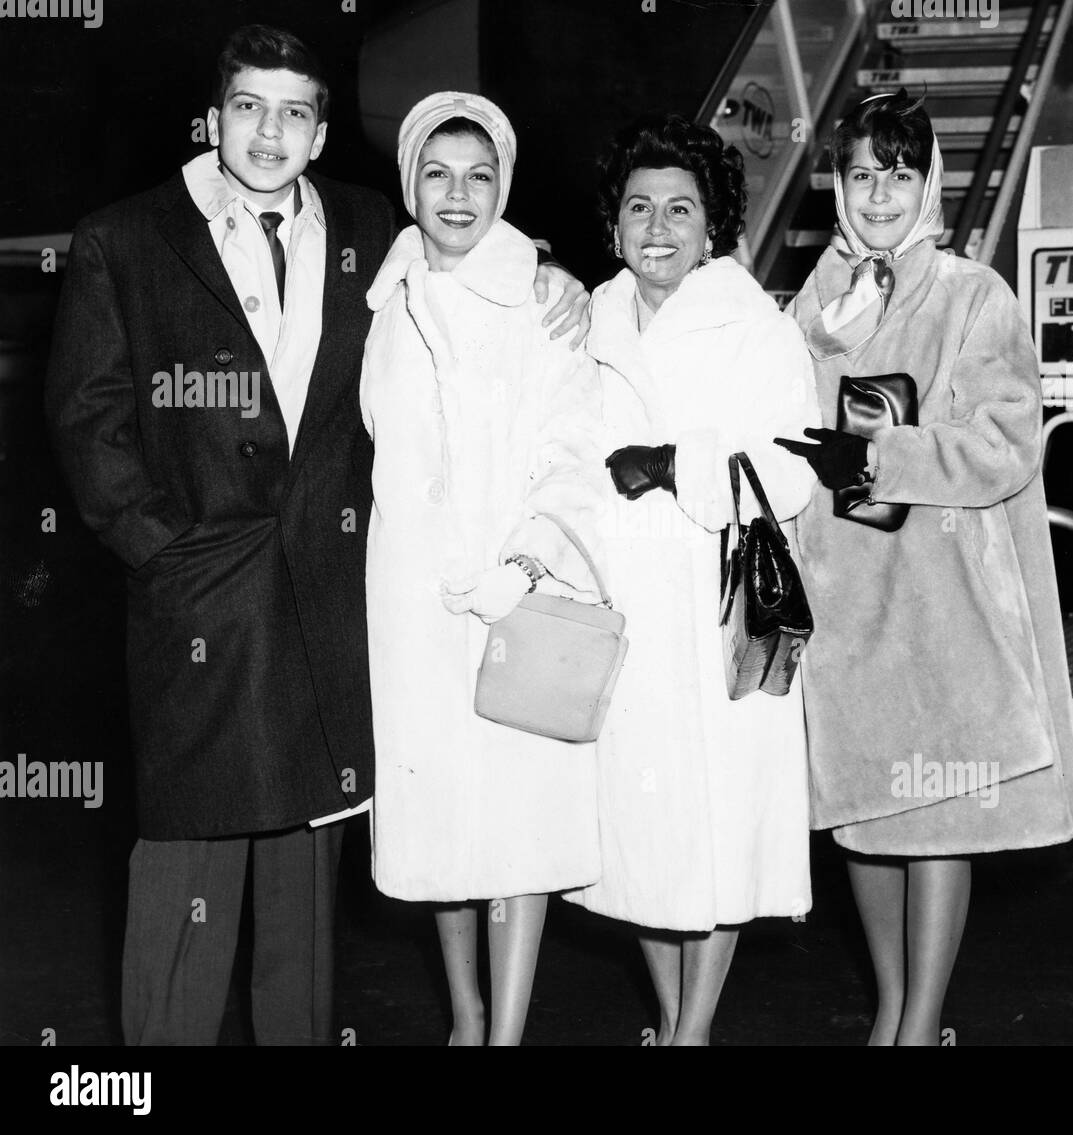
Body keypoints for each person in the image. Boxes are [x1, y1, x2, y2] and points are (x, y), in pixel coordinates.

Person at [43, 26, 589, 1046]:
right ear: (214, 117)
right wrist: (163, 551)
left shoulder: (366, 224)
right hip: (198, 609)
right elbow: (87, 420)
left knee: (301, 891)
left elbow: (474, 254)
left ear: (321, 129)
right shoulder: (125, 236)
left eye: (294, 111)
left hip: (322, 605)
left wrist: (551, 275)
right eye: (249, 106)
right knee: (187, 868)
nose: (269, 130)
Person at [775, 90, 1073, 1046]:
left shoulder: (972, 293)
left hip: (938, 600)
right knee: (866, 814)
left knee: (938, 814)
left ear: (928, 184)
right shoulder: (813, 304)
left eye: (898, 174)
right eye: (862, 173)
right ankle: (887, 1007)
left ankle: (921, 1025)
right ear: (839, 182)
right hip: (844, 600)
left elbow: (1005, 445)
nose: (877, 194)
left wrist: (881, 456)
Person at [563, 114, 821, 1046]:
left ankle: (693, 1029)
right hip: (621, 604)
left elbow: (792, 469)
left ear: (713, 226)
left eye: (681, 208)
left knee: (716, 830)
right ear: (613, 225)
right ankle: (674, 1018)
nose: (659, 227)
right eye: (639, 208)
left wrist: (675, 462)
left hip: (717, 610)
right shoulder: (583, 318)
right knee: (638, 837)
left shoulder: (756, 326)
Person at [362, 92, 606, 1047]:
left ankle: (504, 1033)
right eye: (437, 173)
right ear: (409, 184)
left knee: (516, 822)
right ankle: (462, 1017)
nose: (457, 196)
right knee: (436, 818)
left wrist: (527, 560)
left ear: (505, 186)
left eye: (479, 176)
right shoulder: (385, 300)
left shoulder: (542, 299)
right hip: (412, 598)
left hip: (514, 594)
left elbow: (575, 445)